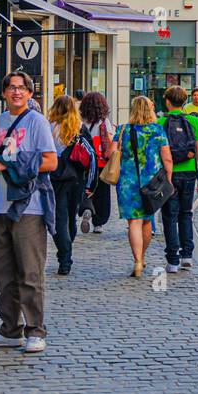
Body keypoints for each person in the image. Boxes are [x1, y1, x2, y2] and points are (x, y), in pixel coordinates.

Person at [0, 72, 58, 355]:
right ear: (3, 93)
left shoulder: (37, 122)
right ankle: (9, 330)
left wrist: (15, 167)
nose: (16, 92)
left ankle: (35, 331)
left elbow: (50, 162)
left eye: (22, 88)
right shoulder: (1, 121)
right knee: (3, 272)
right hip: (2, 205)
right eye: (12, 88)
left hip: (29, 206)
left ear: (30, 93)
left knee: (29, 271)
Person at [115, 95, 173, 279]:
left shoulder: (123, 130)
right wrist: (168, 179)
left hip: (127, 182)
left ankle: (138, 260)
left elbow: (111, 153)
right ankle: (142, 256)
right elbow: (167, 157)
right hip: (151, 183)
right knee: (147, 220)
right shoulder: (157, 130)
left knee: (133, 221)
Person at [159, 86, 198, 274]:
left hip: (169, 173)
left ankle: (173, 260)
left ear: (168, 102)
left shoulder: (161, 122)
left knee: (169, 217)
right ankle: (187, 255)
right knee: (186, 213)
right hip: (188, 173)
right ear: (185, 102)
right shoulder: (193, 121)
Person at [46, 95, 89, 276]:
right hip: (76, 178)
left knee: (59, 218)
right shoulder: (80, 128)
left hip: (55, 177)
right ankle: (66, 251)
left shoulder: (49, 127)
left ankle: (65, 257)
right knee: (71, 217)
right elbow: (89, 155)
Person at [79, 92, 116, 234]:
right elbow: (110, 139)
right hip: (100, 162)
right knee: (102, 193)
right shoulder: (103, 121)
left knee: (86, 188)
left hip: (85, 162)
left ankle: (87, 208)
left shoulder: (81, 120)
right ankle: (98, 222)